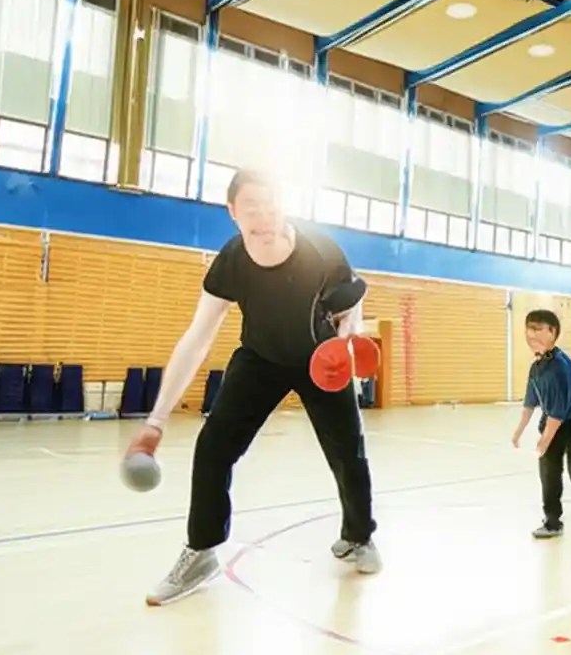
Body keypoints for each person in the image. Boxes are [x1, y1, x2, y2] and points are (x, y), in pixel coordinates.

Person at [124, 169, 381, 607]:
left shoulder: (319, 248)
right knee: (213, 448)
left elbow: (352, 296)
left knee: (347, 453)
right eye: (251, 209)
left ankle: (358, 536)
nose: (263, 218)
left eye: (271, 205)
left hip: (320, 360)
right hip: (260, 358)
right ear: (232, 213)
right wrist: (156, 420)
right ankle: (202, 550)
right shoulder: (231, 262)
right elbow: (197, 336)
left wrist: (344, 340)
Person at [510, 309, 571, 550]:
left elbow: (558, 410)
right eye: (529, 329)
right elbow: (530, 401)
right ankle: (552, 521)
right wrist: (519, 430)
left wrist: (545, 438)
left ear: (552, 333)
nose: (532, 334)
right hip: (553, 418)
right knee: (549, 471)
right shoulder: (536, 367)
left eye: (538, 328)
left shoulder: (560, 366)